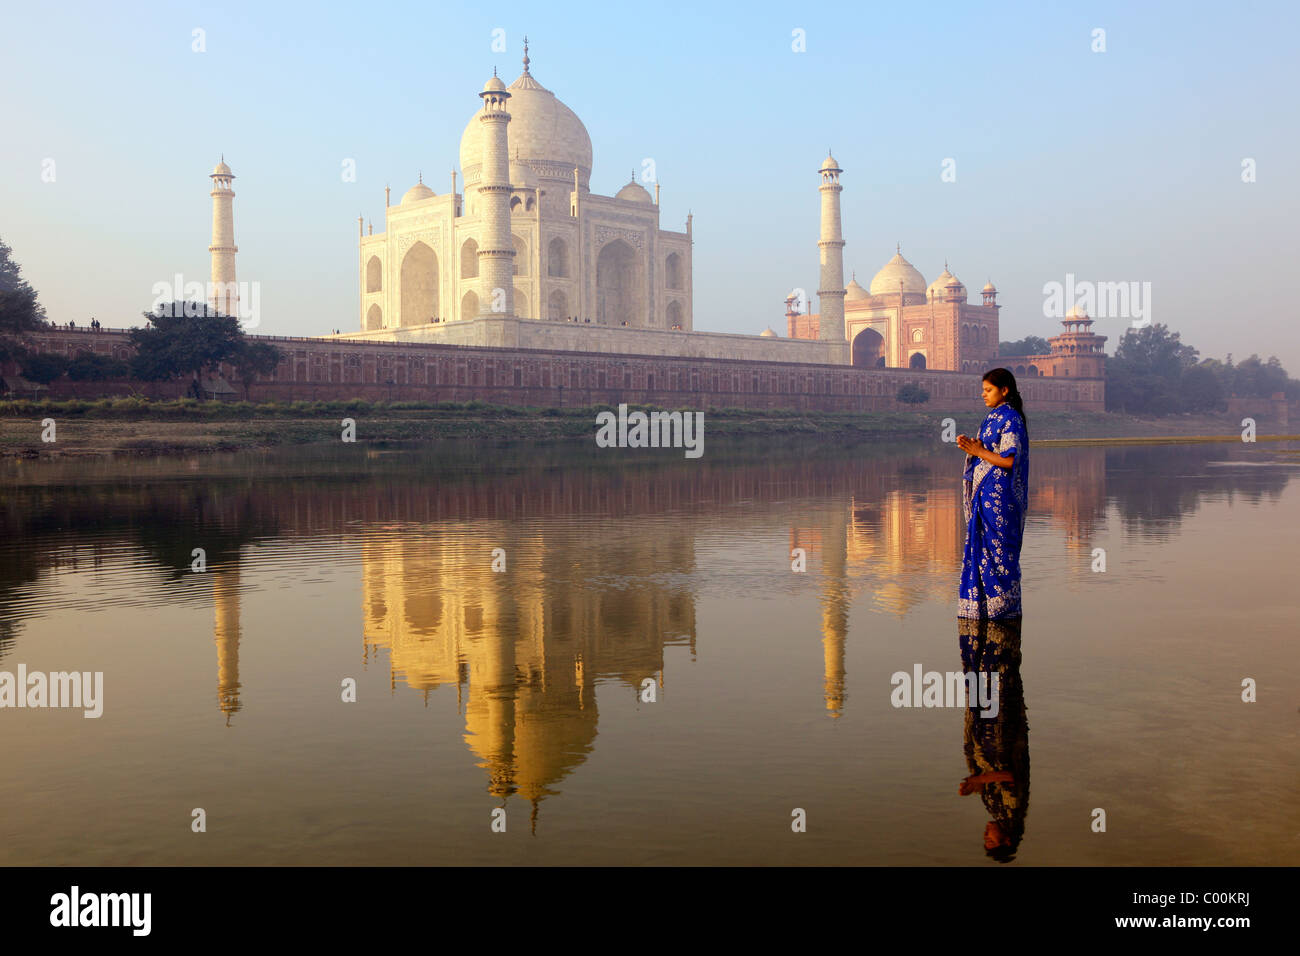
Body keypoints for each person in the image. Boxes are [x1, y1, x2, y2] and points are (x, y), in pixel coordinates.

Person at [955, 368, 1029, 619]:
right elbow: (987, 452)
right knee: (983, 548)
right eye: (983, 390)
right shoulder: (992, 417)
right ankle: (983, 608)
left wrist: (978, 452)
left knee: (1000, 552)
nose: (983, 395)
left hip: (1001, 502)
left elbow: (1009, 460)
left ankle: (1003, 609)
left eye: (988, 390)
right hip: (985, 499)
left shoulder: (1011, 419)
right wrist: (972, 447)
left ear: (1004, 390)